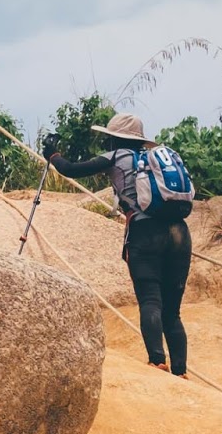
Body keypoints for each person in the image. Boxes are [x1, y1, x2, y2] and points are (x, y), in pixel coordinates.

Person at [44, 114, 193, 377]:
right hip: (180, 233)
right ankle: (180, 371)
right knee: (172, 312)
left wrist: (52, 154)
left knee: (150, 300)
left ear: (115, 138)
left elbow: (71, 169)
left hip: (145, 231)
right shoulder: (155, 158)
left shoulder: (116, 157)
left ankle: (157, 360)